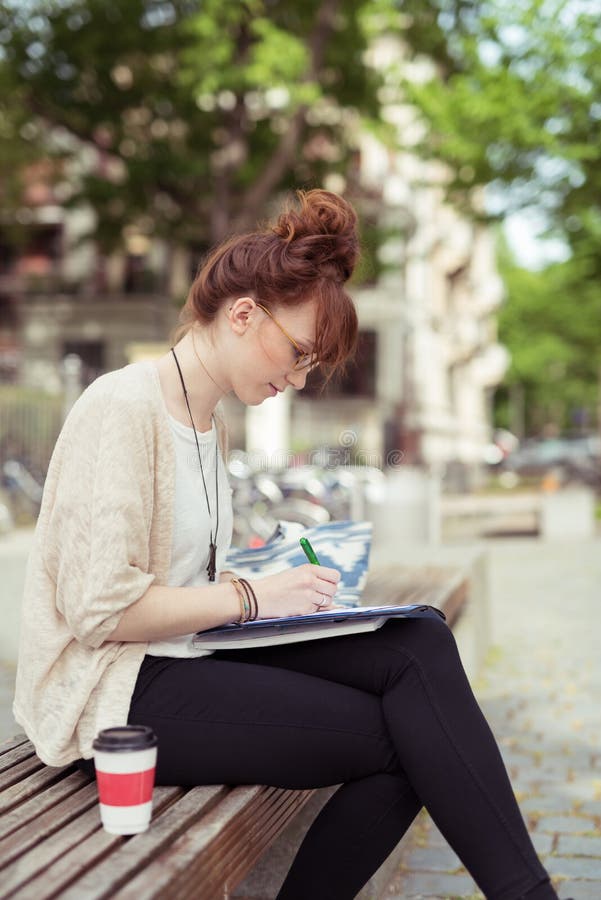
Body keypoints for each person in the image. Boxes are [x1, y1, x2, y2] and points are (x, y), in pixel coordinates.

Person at [14, 190, 562, 900]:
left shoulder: (209, 424)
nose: (298, 380)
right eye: (299, 355)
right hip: (115, 693)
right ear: (243, 315)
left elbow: (179, 574)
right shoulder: (122, 407)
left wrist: (270, 574)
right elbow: (99, 610)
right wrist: (251, 596)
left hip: (186, 654)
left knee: (417, 639)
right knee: (410, 741)